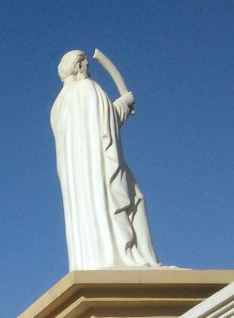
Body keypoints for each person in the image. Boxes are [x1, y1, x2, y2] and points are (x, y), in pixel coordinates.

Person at [50, 50, 158, 269]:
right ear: (79, 66)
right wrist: (124, 104)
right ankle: (134, 257)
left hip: (79, 178)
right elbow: (105, 124)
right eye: (86, 65)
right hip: (100, 168)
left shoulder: (58, 105)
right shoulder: (88, 89)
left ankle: (101, 258)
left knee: (107, 209)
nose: (87, 70)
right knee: (135, 200)